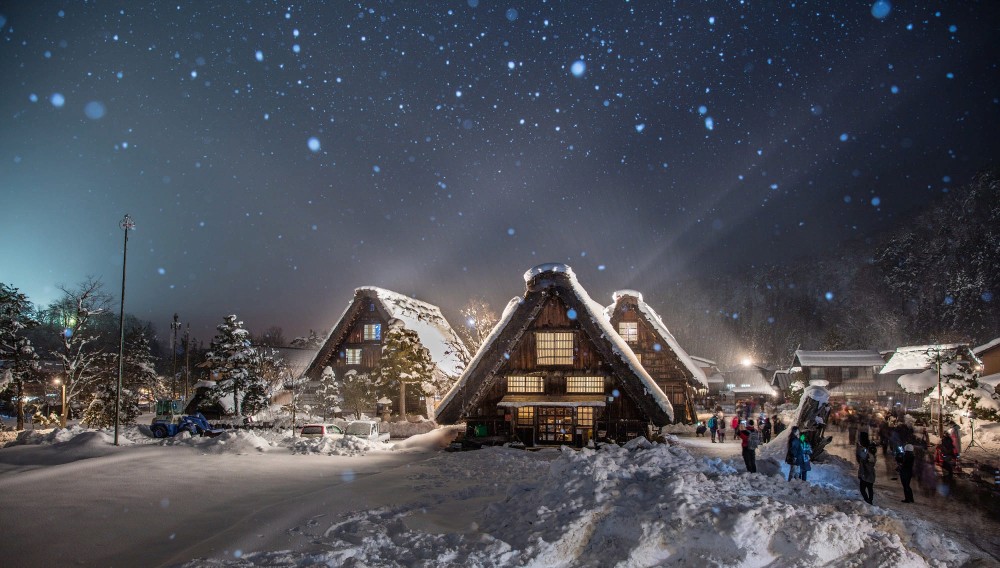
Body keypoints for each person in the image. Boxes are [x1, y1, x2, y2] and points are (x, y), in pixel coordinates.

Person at [857, 431, 877, 504]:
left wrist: (860, 475)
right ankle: (869, 500)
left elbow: (862, 466)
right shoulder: (873, 457)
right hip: (870, 475)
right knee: (869, 488)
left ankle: (867, 500)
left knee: (863, 489)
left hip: (865, 475)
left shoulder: (866, 457)